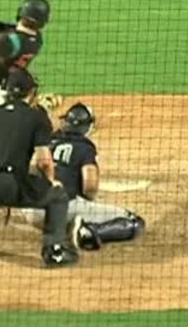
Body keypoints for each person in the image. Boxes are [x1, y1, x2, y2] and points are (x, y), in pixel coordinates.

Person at [0, 68, 85, 267]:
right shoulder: (37, 117)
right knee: (57, 197)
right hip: (10, 184)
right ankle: (54, 250)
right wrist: (51, 182)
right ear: (31, 93)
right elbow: (44, 160)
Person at [18, 103, 146, 251]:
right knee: (134, 222)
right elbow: (90, 187)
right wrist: (87, 203)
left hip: (30, 211)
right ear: (88, 127)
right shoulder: (85, 147)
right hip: (60, 210)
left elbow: (30, 169)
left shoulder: (46, 140)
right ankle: (86, 233)